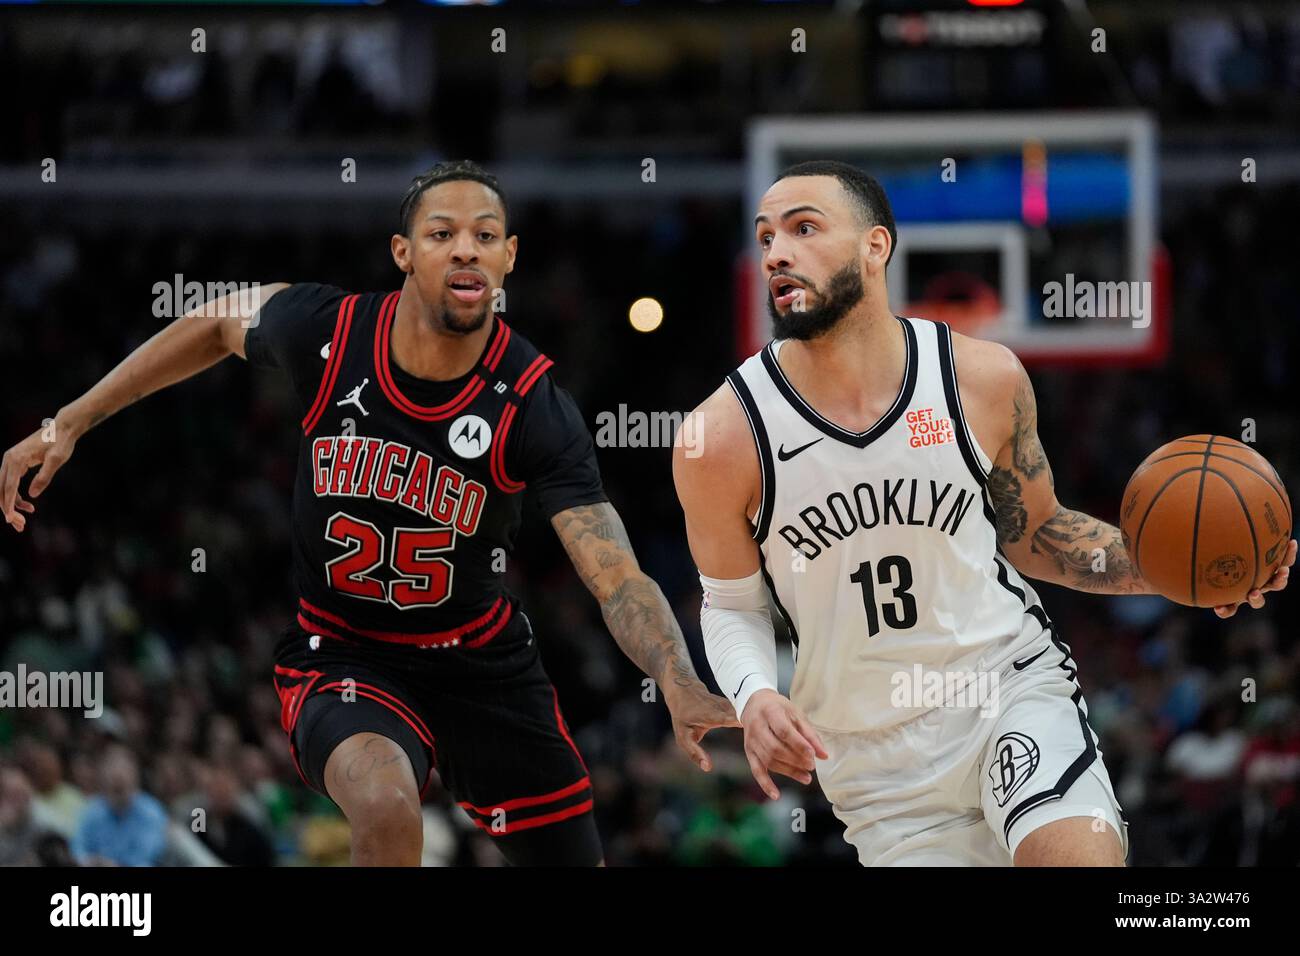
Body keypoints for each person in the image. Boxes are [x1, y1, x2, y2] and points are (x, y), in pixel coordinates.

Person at [2, 160, 736, 866]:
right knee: (386, 807)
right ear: (403, 252)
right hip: (346, 656)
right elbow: (213, 324)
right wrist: (68, 420)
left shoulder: (534, 404)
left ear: (509, 258)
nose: (465, 249)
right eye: (442, 233)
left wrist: (675, 676)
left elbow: (614, 575)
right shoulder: (330, 332)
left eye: (485, 235)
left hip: (481, 667)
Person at [672, 159, 1296, 866]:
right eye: (765, 237)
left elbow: (1039, 535)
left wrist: (1192, 572)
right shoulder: (719, 436)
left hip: (1006, 689)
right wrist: (754, 696)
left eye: (804, 228)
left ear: (876, 247)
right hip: (876, 764)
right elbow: (730, 604)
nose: (777, 252)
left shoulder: (982, 379)